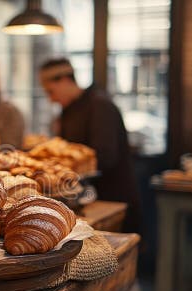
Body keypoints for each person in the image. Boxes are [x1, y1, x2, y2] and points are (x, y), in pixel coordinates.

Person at [39, 58, 140, 232]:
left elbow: (105, 156)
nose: (51, 99)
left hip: (113, 202)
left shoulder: (100, 106)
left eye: (51, 91)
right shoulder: (68, 112)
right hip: (87, 201)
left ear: (64, 80)